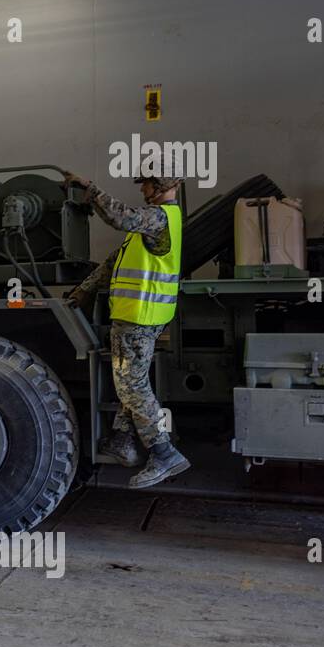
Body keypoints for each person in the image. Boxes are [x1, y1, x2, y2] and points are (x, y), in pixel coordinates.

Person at [62, 170, 190, 488]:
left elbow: (120, 217)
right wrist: (84, 290)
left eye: (147, 182)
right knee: (129, 383)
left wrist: (91, 190)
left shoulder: (158, 219)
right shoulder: (151, 224)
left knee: (132, 388)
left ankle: (163, 454)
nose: (143, 188)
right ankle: (123, 442)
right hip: (142, 316)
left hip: (138, 318)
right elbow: (112, 262)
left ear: (162, 184)